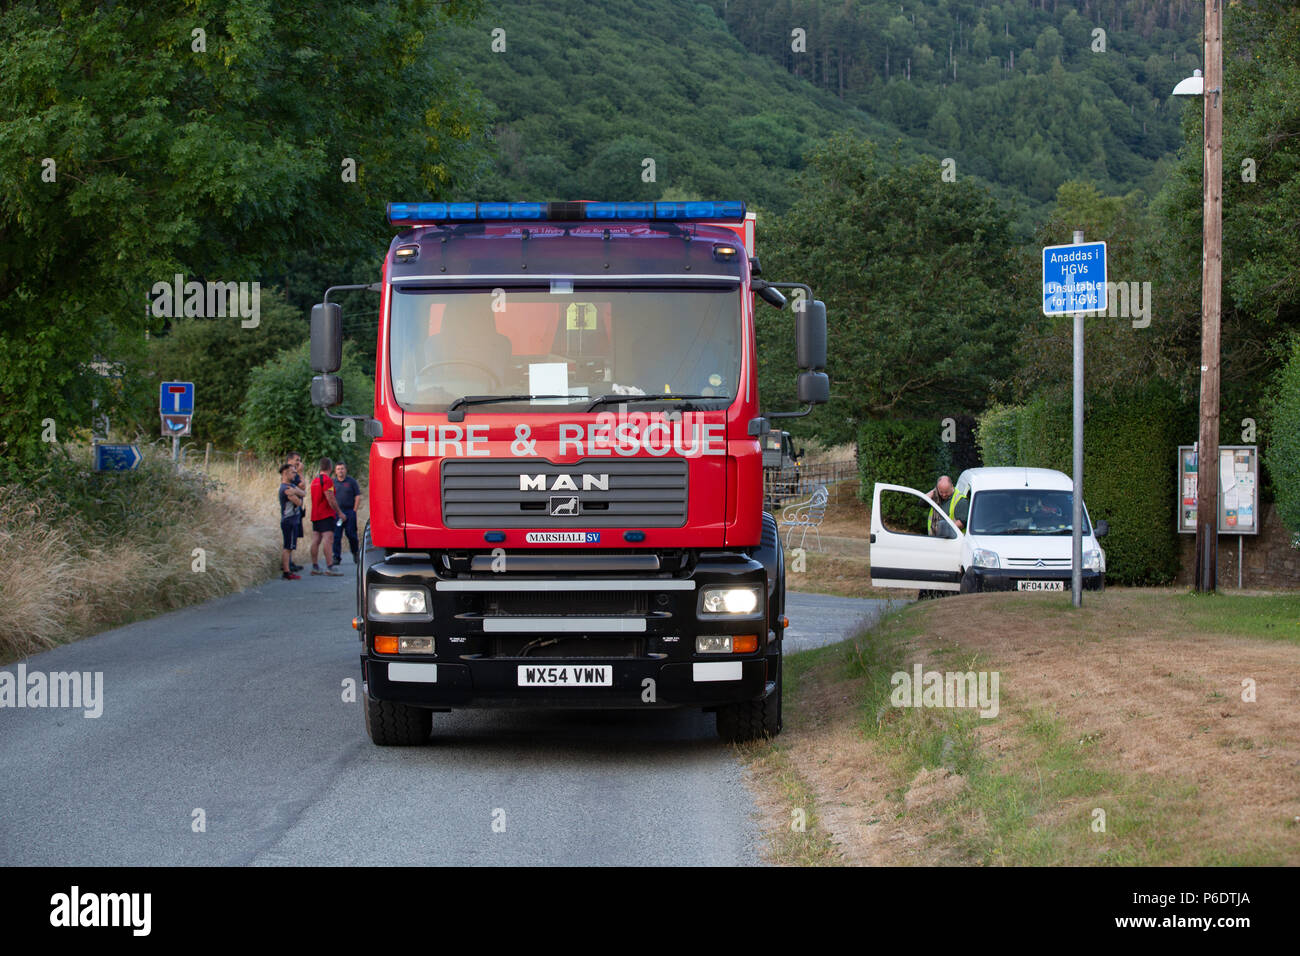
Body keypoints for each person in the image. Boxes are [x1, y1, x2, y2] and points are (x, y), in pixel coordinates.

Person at [309, 457, 344, 576]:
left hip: (315, 514)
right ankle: (330, 566)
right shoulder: (327, 480)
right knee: (328, 540)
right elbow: (330, 498)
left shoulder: (314, 481)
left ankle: (315, 566)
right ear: (330, 467)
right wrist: (339, 512)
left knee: (316, 540)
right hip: (326, 514)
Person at [331, 461, 363, 565]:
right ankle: (336, 557)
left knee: (352, 535)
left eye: (342, 468)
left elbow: (357, 496)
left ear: (346, 470)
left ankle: (355, 553)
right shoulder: (333, 482)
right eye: (338, 469)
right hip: (337, 513)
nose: (340, 471)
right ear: (335, 471)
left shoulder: (351, 481)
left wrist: (354, 510)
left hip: (349, 512)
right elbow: (330, 496)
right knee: (336, 536)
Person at [277, 463, 304, 580]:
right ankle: (286, 571)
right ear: (285, 473)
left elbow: (304, 493)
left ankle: (288, 569)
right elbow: (299, 502)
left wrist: (296, 491)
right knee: (287, 546)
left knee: (290, 546)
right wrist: (297, 493)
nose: (295, 474)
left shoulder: (291, 486)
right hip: (288, 520)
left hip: (293, 519)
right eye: (292, 472)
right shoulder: (285, 488)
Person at [287, 451, 305, 572]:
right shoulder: (290, 474)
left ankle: (290, 561)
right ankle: (287, 563)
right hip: (291, 511)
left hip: (297, 510)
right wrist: (300, 472)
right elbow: (302, 487)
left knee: (294, 537)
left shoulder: (295, 474)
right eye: (296, 460)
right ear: (290, 460)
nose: (299, 462)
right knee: (290, 537)